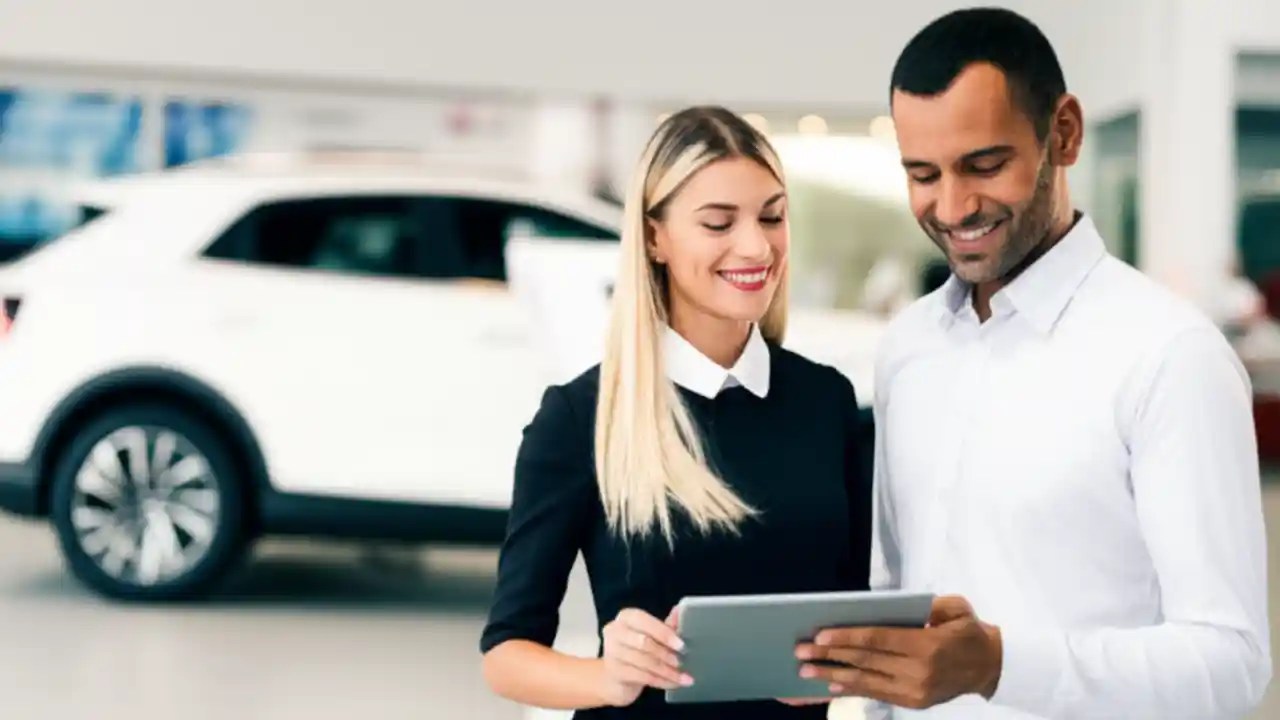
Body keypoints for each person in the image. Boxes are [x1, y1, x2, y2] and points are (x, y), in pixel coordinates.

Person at [796, 8, 1272, 718]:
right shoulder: (906, 350)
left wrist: (1000, 666)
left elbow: (1231, 663)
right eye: (922, 174)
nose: (953, 206)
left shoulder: (1171, 357)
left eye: (984, 165)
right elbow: (894, 594)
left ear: (1066, 134)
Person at [480, 106, 873, 718]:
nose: (756, 245)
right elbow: (508, 654)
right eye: (719, 223)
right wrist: (608, 679)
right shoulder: (582, 417)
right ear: (655, 238)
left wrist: (839, 671)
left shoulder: (828, 402)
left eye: (772, 216)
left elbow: (857, 607)